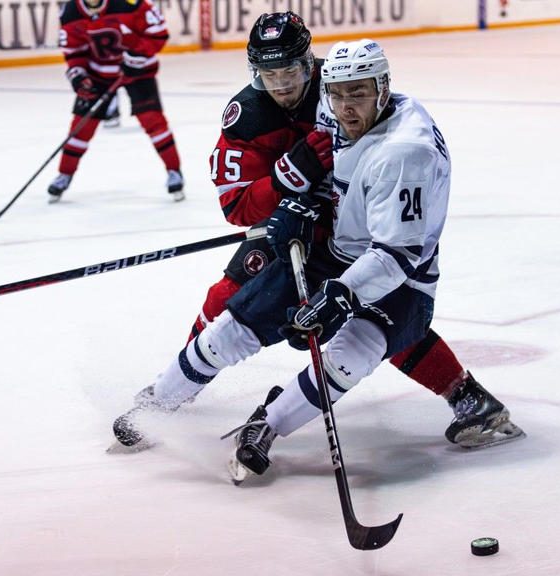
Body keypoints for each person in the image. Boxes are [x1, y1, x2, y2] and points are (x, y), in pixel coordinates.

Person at [111, 15, 522, 459]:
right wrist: (290, 190)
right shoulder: (254, 115)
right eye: (271, 74)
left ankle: (463, 393)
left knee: (378, 324)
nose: (284, 84)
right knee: (234, 297)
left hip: (365, 234)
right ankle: (171, 395)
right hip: (308, 225)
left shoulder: (369, 114)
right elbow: (238, 207)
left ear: (311, 65)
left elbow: (390, 244)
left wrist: (339, 280)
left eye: (292, 71)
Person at [47, 0, 184, 202]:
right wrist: (78, 75)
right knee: (81, 126)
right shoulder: (70, 11)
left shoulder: (131, 3)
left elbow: (158, 33)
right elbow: (74, 51)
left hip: (139, 72)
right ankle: (64, 174)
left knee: (153, 121)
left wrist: (136, 55)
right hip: (98, 74)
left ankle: (174, 171)